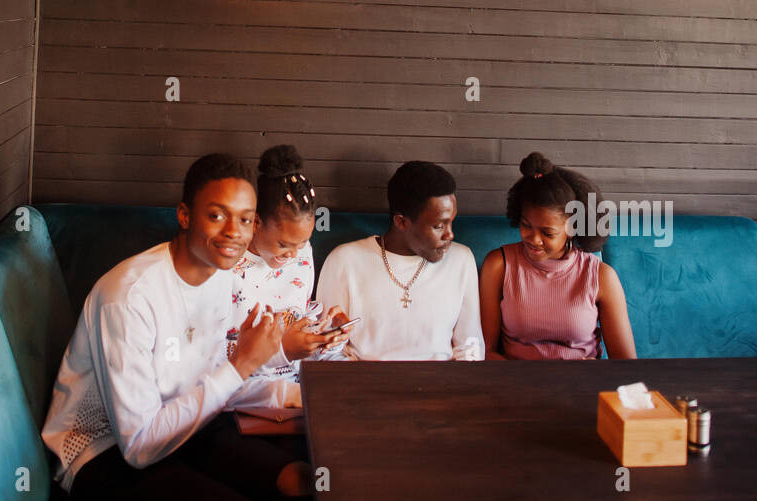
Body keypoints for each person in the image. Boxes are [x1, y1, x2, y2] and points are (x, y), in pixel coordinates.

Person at [41, 153, 314, 501]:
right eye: (217, 215)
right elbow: (140, 445)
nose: (233, 232)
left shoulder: (219, 278)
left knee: (302, 481)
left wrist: (297, 395)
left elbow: (214, 380)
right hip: (103, 454)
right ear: (184, 215)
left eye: (245, 220)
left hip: (184, 423)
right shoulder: (128, 298)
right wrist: (242, 365)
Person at [316, 161, 484, 360]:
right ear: (401, 222)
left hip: (440, 385)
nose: (450, 235)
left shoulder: (461, 260)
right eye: (439, 226)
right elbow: (324, 350)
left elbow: (470, 348)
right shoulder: (345, 260)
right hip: (364, 385)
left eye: (451, 222)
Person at [479, 151, 636, 361]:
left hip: (581, 385)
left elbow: (626, 363)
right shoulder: (499, 265)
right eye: (526, 226)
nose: (534, 239)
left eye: (547, 233)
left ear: (572, 228)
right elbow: (483, 353)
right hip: (516, 384)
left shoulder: (601, 276)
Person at [229, 144, 346, 377]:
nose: (293, 254)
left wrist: (326, 336)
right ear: (255, 222)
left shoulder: (302, 255)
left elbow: (298, 324)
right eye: (283, 244)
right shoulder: (226, 266)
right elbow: (219, 363)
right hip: (242, 387)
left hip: (296, 380)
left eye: (302, 243)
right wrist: (284, 351)